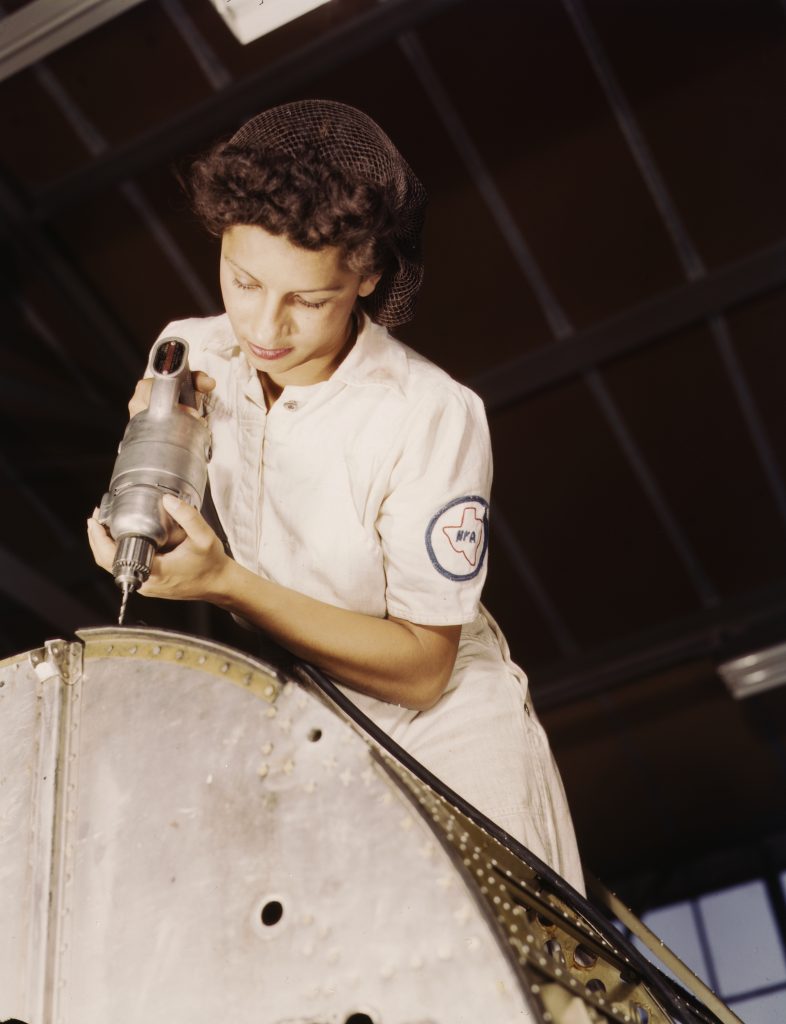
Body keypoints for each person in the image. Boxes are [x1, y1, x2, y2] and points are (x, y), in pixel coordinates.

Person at [87, 99, 584, 892]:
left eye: (309, 300)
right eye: (243, 280)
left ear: (368, 276)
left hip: (445, 731)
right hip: (312, 721)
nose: (264, 326)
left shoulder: (428, 414)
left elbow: (424, 669)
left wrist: (223, 583)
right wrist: (156, 498)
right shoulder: (192, 349)